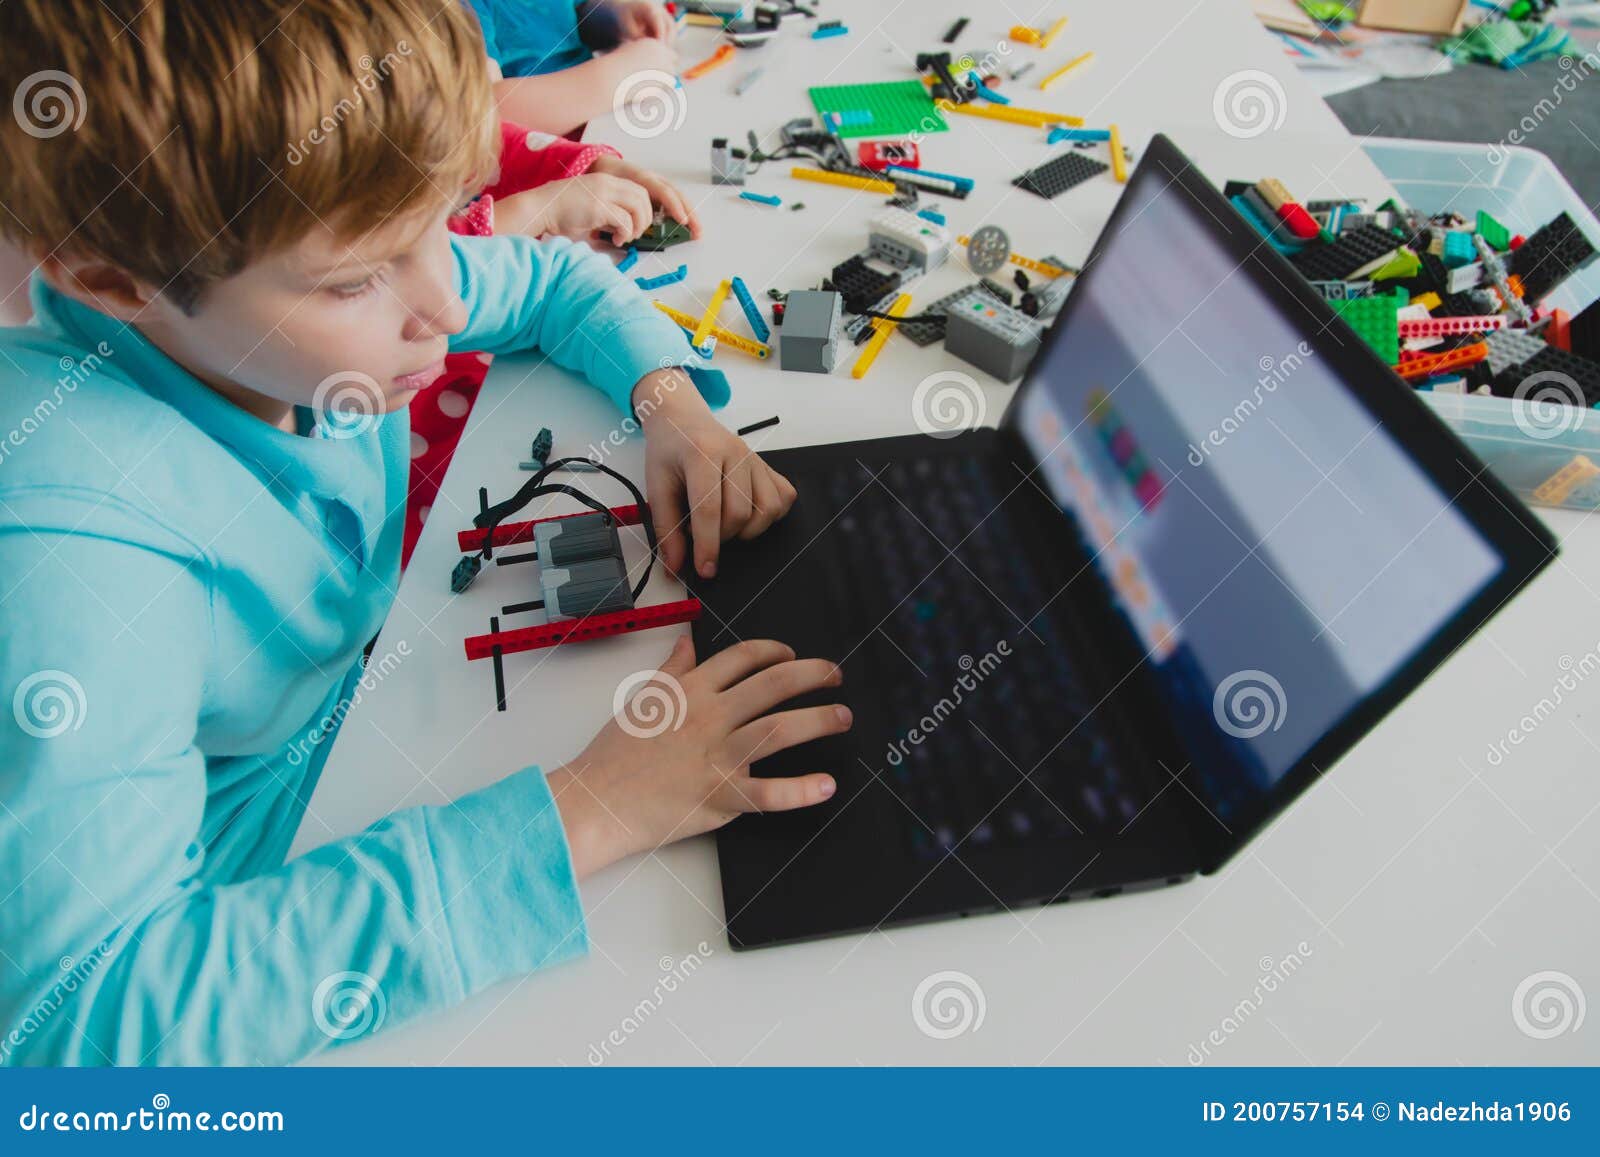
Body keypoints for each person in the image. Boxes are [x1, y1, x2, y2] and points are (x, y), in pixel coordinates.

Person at [0, 0, 846, 1066]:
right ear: (110, 281)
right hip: (257, 923)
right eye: (358, 277)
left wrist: (670, 405)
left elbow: (544, 278)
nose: (444, 306)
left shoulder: (251, 303)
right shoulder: (60, 552)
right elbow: (79, 1028)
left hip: (365, 738)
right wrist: (590, 809)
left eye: (442, 222)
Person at [468, 0, 681, 136]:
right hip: (544, 171)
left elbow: (570, 16)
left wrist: (617, 15)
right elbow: (487, 115)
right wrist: (618, 77)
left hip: (600, 126)